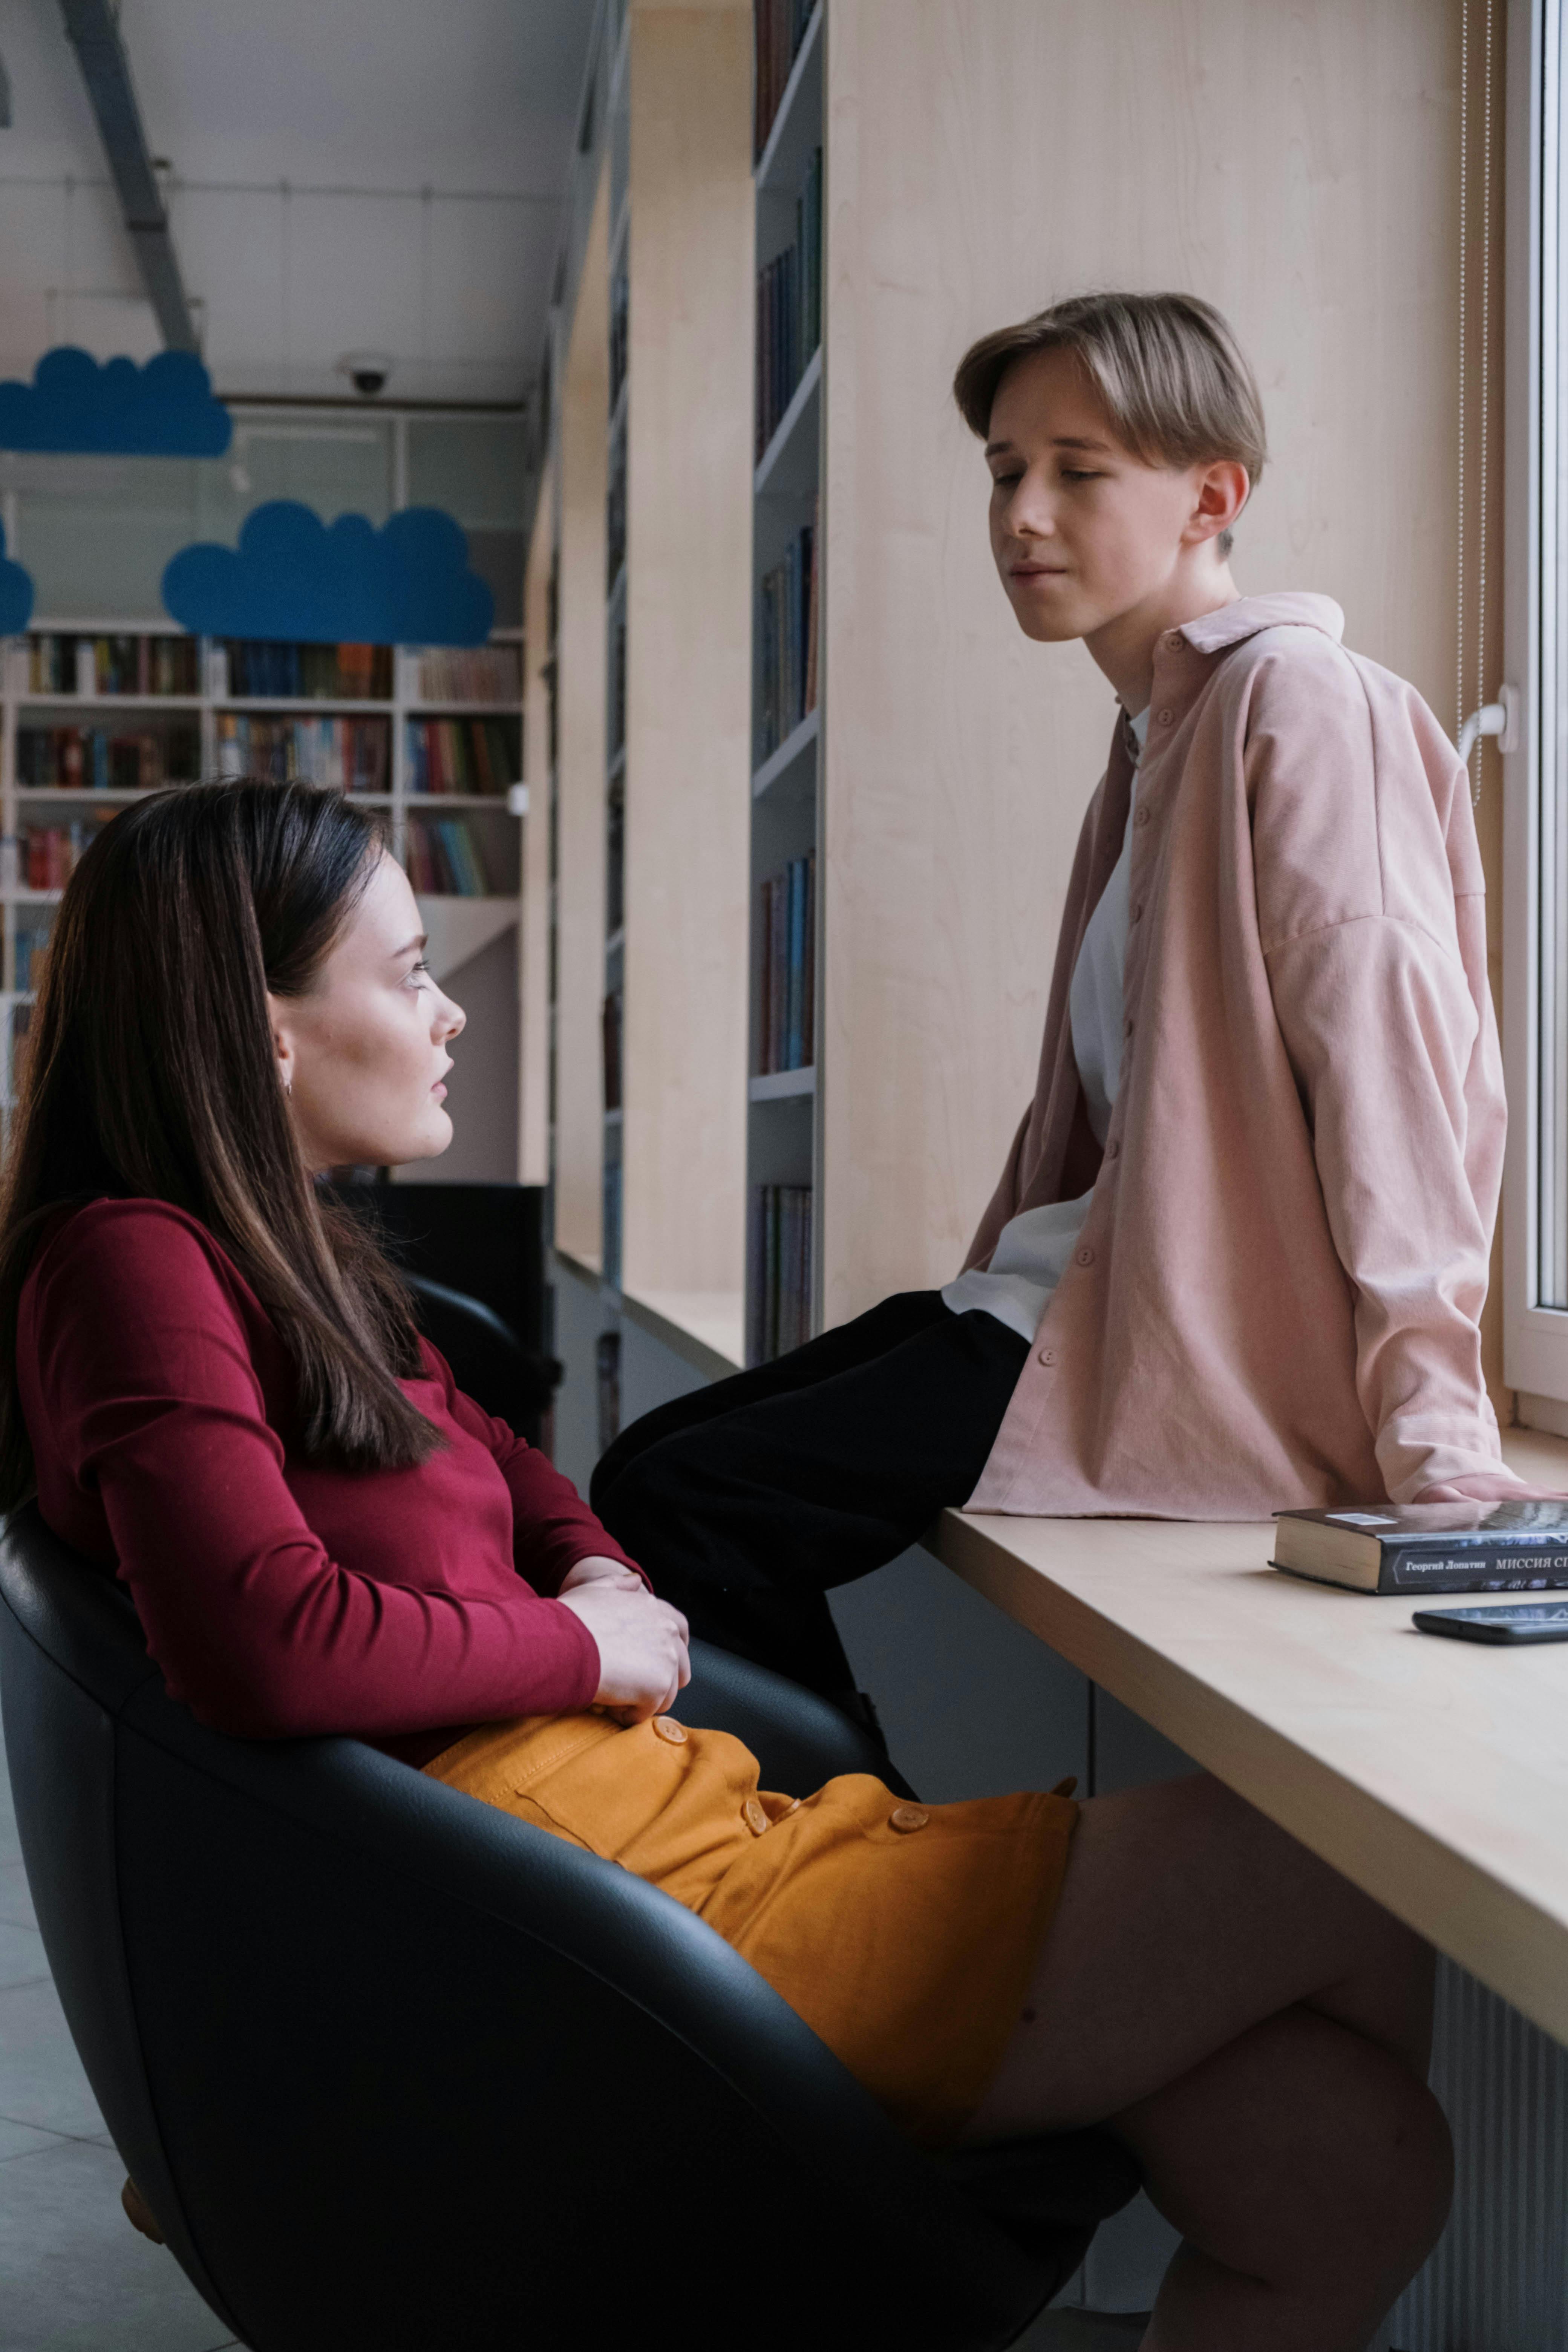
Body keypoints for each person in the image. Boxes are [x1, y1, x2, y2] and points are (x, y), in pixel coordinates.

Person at [0, 779, 1447, 2347]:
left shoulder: (281, 1249)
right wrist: (584, 1650)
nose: (447, 1016)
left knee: (1347, 2172)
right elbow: (254, 1640)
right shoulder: (132, 1261)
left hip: (652, 1843)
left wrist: (595, 1578)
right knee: (1353, 1866)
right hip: (606, 1931)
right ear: (268, 1029)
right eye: (408, 971)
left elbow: (504, 1458)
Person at [590, 288, 1539, 1727]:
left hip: (1172, 1341)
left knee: (685, 1496)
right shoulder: (1156, 736)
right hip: (1065, 1296)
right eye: (1004, 472)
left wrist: (1437, 1431)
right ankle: (852, 1860)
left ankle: (859, 1872)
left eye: (1078, 471)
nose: (1023, 514)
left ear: (1213, 495)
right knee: (649, 1473)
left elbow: (1395, 1069)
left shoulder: (1296, 703)